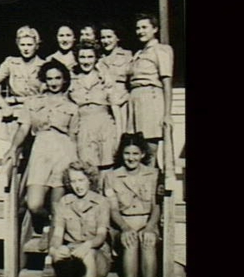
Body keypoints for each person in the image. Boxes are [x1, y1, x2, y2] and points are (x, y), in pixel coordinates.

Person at [2, 60, 79, 274]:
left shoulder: (72, 107)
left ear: (64, 80)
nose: (54, 82)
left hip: (63, 153)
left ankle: (50, 260)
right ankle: (47, 225)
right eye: (50, 78)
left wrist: (75, 166)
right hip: (40, 152)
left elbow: (73, 137)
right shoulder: (33, 103)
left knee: (58, 206)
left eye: (58, 78)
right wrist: (13, 149)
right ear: (44, 80)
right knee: (34, 203)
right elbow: (23, 128)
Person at [49, 160, 112, 277]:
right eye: (74, 181)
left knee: (88, 255)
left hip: (97, 256)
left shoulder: (101, 202)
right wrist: (56, 247)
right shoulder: (64, 202)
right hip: (73, 252)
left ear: (90, 180)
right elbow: (57, 233)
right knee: (58, 255)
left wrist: (88, 245)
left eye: (81, 180)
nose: (78, 186)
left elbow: (101, 236)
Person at [103, 132, 161, 277]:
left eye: (135, 153)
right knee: (130, 242)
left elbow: (156, 205)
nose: (131, 158)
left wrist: (151, 227)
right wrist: (125, 228)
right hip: (122, 224)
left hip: (146, 222)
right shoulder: (111, 176)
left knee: (148, 242)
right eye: (127, 153)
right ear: (122, 154)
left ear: (143, 154)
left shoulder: (153, 174)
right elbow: (112, 209)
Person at [127, 13, 174, 166]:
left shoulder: (161, 50)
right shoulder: (139, 53)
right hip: (135, 100)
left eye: (144, 27)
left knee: (149, 150)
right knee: (137, 148)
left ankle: (152, 186)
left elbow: (167, 82)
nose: (140, 31)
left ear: (155, 29)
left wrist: (167, 114)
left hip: (150, 99)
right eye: (138, 28)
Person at [68, 40, 120, 172]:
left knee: (107, 168)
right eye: (82, 57)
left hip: (105, 126)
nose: (86, 61)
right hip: (82, 127)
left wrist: (119, 134)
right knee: (87, 168)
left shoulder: (105, 78)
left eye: (90, 57)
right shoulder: (72, 80)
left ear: (96, 58)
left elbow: (115, 108)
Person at [0, 26, 45, 141]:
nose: (26, 49)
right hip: (15, 113)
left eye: (29, 45)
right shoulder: (11, 63)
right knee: (15, 150)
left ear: (36, 46)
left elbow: (44, 94)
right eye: (22, 45)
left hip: (36, 112)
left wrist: (16, 100)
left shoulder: (44, 65)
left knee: (36, 152)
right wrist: (4, 105)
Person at [97, 23, 133, 135]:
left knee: (123, 134)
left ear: (117, 38)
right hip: (105, 103)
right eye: (103, 37)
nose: (106, 41)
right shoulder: (99, 60)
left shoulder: (127, 55)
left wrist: (125, 97)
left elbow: (132, 81)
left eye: (109, 37)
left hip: (123, 103)